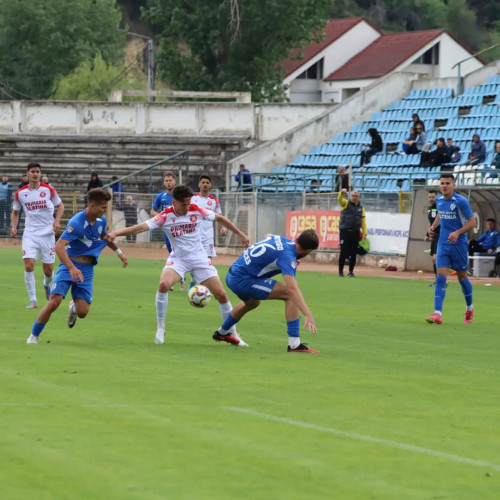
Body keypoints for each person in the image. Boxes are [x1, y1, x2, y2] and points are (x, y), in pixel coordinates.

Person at [107, 184, 250, 346]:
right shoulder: (165, 216)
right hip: (179, 259)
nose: (187, 207)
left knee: (222, 295)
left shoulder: (197, 209)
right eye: (184, 204)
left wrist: (241, 234)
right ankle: (161, 328)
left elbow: (220, 218)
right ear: (174, 202)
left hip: (199, 258)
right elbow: (140, 228)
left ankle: (234, 334)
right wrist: (116, 233)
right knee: (163, 284)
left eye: (189, 203)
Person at [26, 188, 128, 344]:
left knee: (82, 312)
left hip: (87, 270)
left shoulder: (101, 221)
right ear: (92, 205)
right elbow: (59, 245)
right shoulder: (77, 222)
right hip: (69, 266)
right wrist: (72, 268)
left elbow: (103, 237)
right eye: (103, 207)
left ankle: (73, 307)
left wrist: (119, 252)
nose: (106, 210)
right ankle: (34, 336)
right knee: (54, 301)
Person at [212, 230, 320, 353]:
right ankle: (294, 345)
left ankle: (222, 332)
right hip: (242, 280)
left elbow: (267, 235)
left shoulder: (282, 240)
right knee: (289, 294)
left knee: (253, 303)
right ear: (309, 251)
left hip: (233, 273)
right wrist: (307, 314)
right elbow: (292, 289)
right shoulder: (287, 257)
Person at [11, 163, 65, 308]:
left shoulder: (48, 190)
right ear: (27, 174)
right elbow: (15, 212)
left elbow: (60, 206)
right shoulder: (20, 193)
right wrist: (14, 227)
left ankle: (46, 285)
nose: (35, 174)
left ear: (40, 174)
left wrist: (57, 221)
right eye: (32, 171)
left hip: (47, 234)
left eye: (38, 171)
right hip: (30, 234)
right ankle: (33, 300)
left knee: (48, 271)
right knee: (29, 265)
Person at [426, 173, 476, 325]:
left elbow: (472, 222)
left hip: (459, 245)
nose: (444, 186)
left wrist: (457, 232)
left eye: (447, 183)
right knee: (440, 278)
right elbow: (441, 215)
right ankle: (437, 313)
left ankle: (469, 307)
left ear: (453, 185)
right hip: (443, 243)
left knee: (462, 278)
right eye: (442, 183)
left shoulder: (461, 201)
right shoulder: (439, 199)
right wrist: (433, 226)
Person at [151, 172, 185, 290]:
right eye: (166, 180)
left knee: (182, 253)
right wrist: (162, 216)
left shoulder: (180, 196)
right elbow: (153, 211)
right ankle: (176, 279)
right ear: (164, 182)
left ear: (174, 181)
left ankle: (182, 279)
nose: (168, 182)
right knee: (172, 254)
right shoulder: (161, 196)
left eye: (170, 180)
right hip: (168, 231)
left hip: (181, 230)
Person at [337, 188, 367, 277]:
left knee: (354, 252)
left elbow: (363, 221)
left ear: (359, 197)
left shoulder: (361, 208)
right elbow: (339, 199)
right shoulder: (345, 203)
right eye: (353, 196)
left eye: (356, 196)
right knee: (343, 251)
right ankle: (340, 272)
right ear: (350, 196)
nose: (355, 197)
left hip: (355, 232)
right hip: (345, 232)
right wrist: (341, 193)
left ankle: (351, 272)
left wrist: (365, 233)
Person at [424, 190, 440, 285]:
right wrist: (427, 234)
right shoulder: (429, 209)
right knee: (434, 259)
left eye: (433, 197)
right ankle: (438, 280)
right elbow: (430, 223)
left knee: (436, 258)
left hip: (441, 235)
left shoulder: (440, 207)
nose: (431, 199)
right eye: (429, 197)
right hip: (434, 236)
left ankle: (441, 281)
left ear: (437, 197)